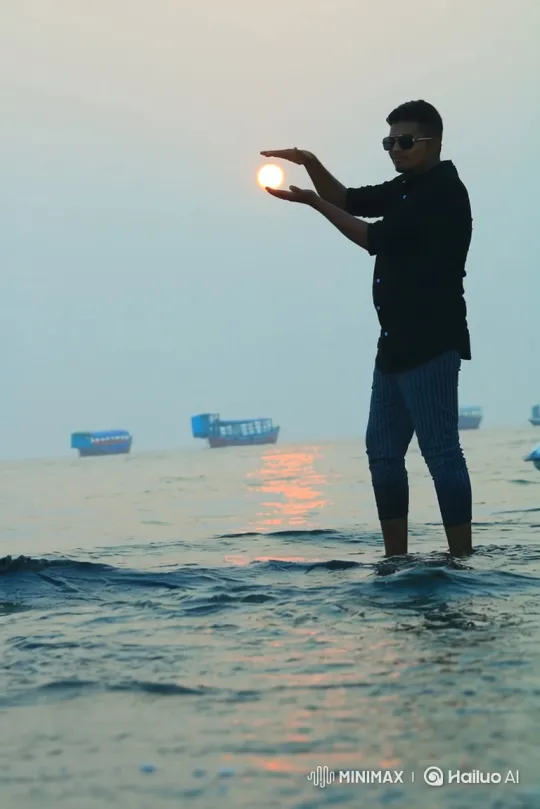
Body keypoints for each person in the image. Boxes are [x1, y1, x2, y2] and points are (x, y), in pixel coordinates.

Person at [261, 99, 473, 557]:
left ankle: (462, 558)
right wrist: (312, 164)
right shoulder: (406, 187)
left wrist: (314, 205)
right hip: (393, 343)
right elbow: (349, 199)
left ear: (434, 143)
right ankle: (395, 558)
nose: (395, 149)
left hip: (432, 340)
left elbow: (372, 239)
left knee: (441, 453)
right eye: (388, 142)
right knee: (382, 452)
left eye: (405, 141)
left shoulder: (442, 192)